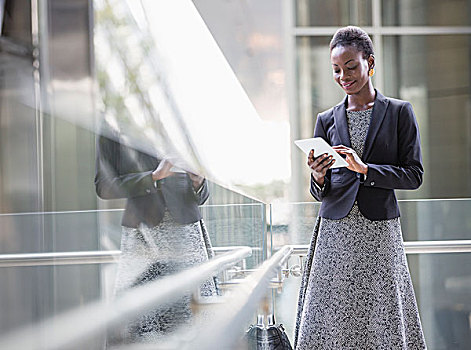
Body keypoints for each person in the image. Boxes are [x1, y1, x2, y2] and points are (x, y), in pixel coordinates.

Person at [294, 26, 427, 349]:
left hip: (378, 231)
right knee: (331, 315)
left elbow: (413, 175)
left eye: (351, 67)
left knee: (381, 313)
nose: (343, 76)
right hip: (335, 230)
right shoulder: (327, 119)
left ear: (370, 62)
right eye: (336, 70)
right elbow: (319, 193)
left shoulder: (399, 113)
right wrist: (319, 176)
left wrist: (364, 169)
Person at [95, 123, 218, 344]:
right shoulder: (113, 122)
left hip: (188, 233)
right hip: (142, 234)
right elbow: (104, 186)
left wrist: (199, 181)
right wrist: (153, 177)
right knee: (141, 319)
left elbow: (200, 197)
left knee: (196, 320)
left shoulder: (180, 117)